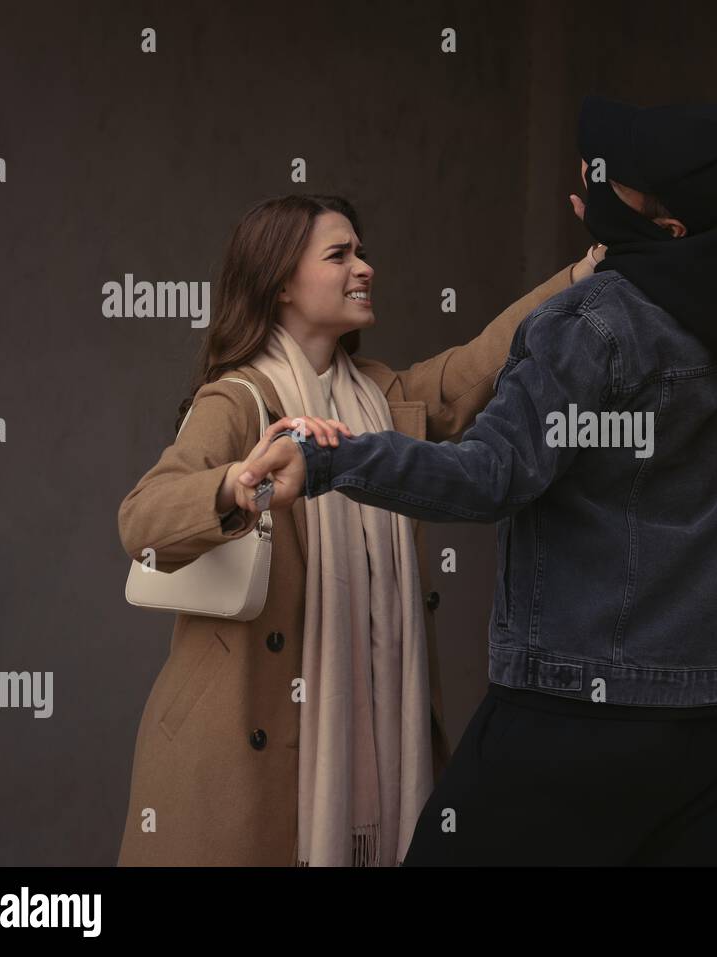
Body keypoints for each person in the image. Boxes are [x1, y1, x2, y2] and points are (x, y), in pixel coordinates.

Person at [237, 99, 717, 866]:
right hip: (708, 724)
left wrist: (332, 458)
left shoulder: (593, 325)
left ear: (664, 222)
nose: (585, 188)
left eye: (603, 181)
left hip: (564, 718)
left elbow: (490, 474)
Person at [116, 193, 603, 866]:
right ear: (281, 282)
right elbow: (142, 516)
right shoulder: (237, 398)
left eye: (362, 252)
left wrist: (578, 279)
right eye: (339, 254)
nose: (364, 267)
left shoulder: (379, 394)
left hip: (364, 729)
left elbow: (477, 364)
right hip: (235, 743)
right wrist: (234, 484)